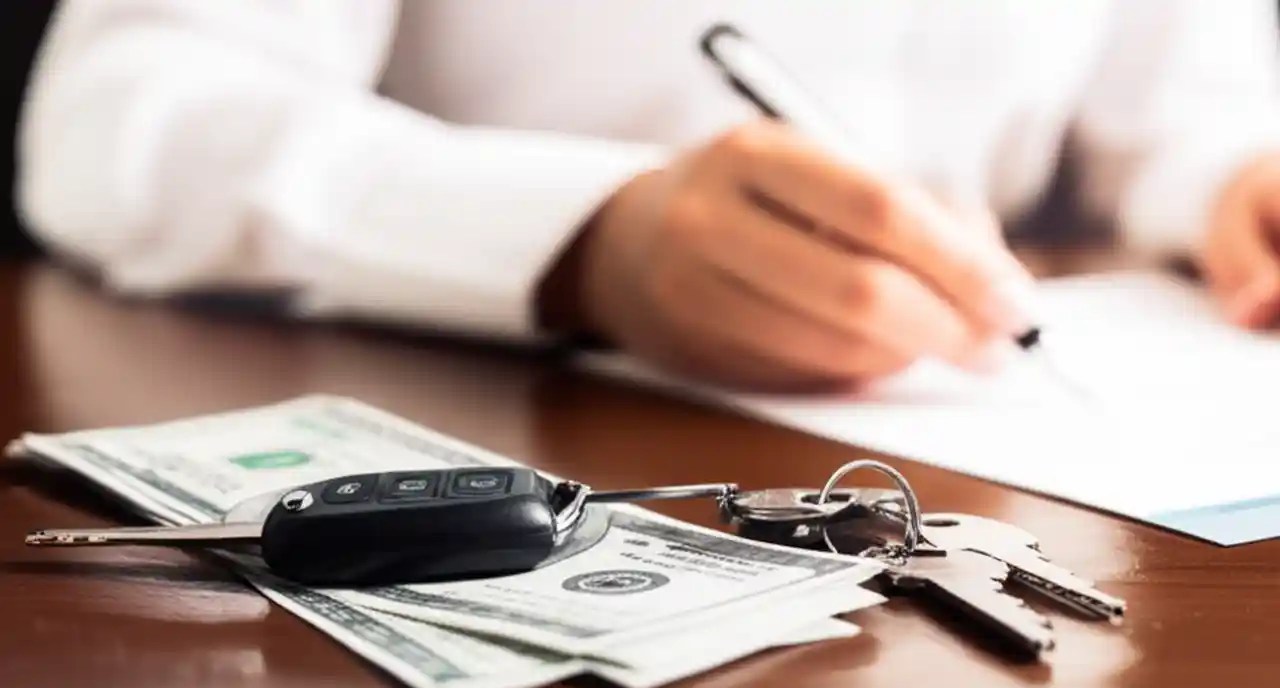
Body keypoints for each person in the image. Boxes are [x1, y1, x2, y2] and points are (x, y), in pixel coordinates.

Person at [16, 1, 1280, 390]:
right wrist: (582, 239)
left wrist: (1230, 174)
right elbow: (122, 110)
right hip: (516, 426)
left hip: (988, 460)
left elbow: (1159, 94)